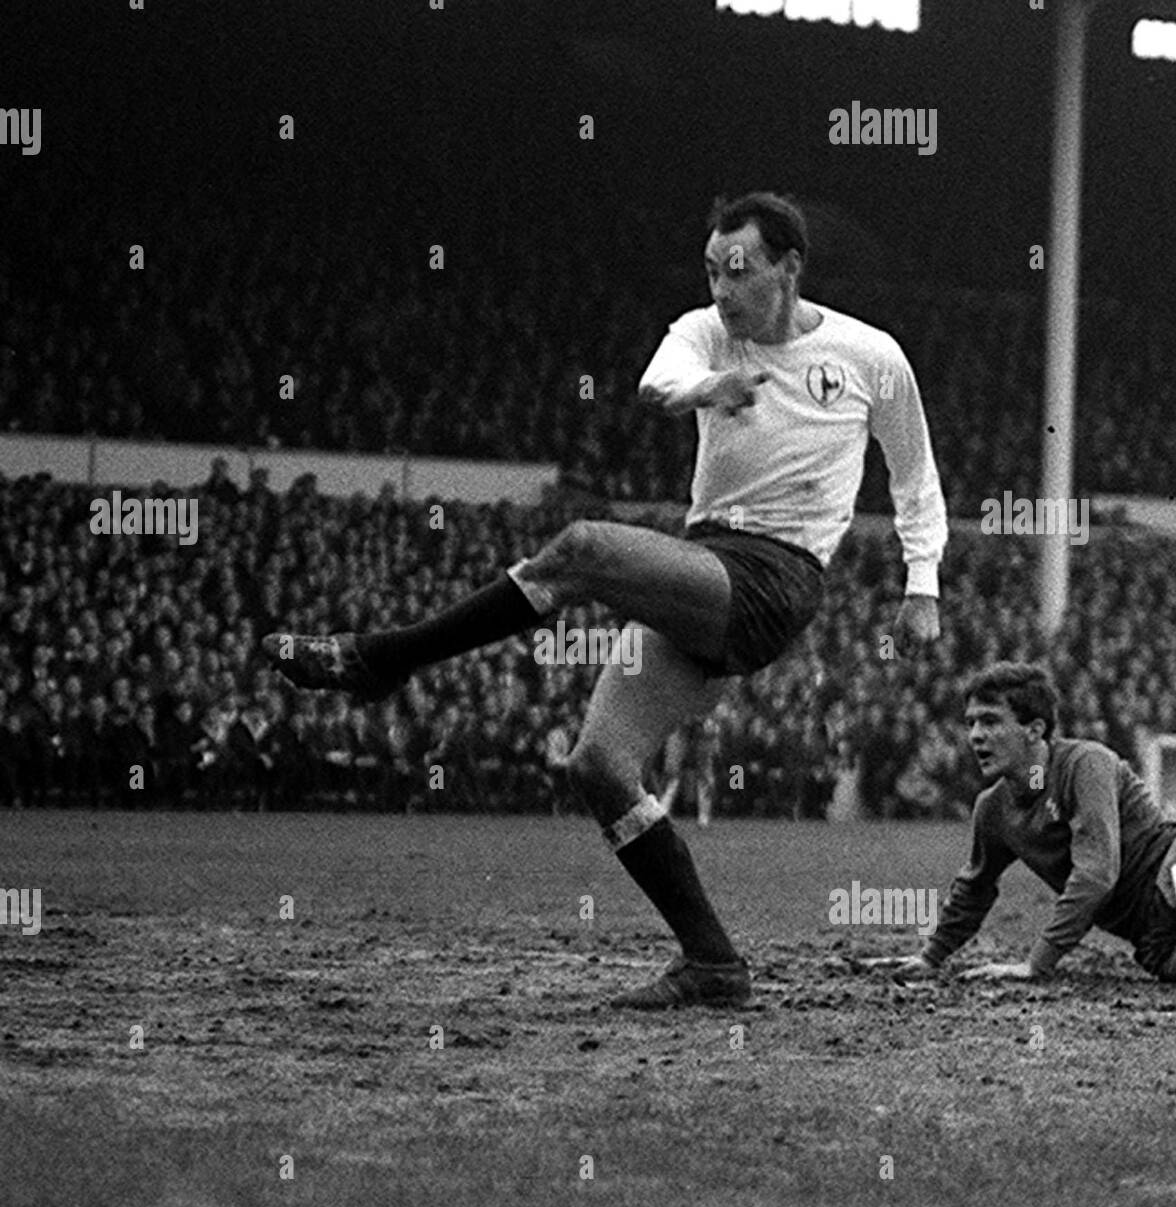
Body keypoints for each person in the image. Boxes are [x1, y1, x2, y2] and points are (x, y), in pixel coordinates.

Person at [263, 191, 947, 1009]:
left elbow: (914, 474)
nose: (723, 288)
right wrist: (711, 388)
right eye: (711, 271)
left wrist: (922, 586)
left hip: (777, 579)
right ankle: (713, 962)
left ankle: (381, 659)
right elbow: (657, 385)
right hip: (703, 564)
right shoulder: (705, 333)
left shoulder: (872, 356)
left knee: (584, 548)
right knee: (597, 764)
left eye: (739, 270)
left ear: (789, 268)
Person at [864, 663, 1176, 984]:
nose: (976, 735)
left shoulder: (1085, 764)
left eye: (990, 721)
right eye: (971, 723)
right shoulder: (993, 809)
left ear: (1034, 730)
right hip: (1154, 936)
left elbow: (1096, 874)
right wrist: (930, 957)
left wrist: (1037, 962)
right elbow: (975, 888)